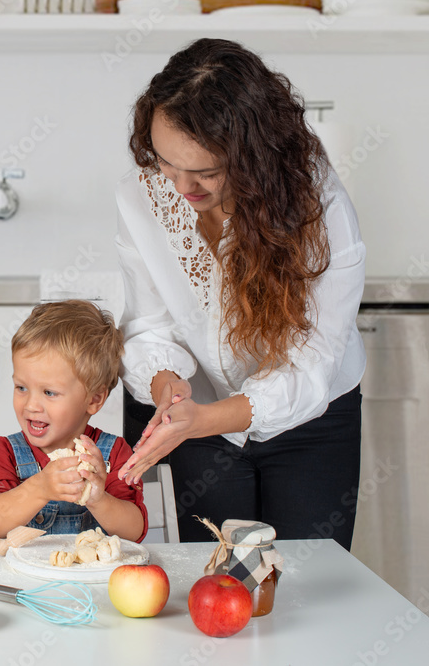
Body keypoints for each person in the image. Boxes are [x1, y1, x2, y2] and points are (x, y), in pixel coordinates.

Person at [114, 38, 365, 549]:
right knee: (194, 586)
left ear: (255, 159)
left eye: (206, 171)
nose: (182, 186)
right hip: (185, 422)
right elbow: (148, 324)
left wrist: (206, 418)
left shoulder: (321, 210)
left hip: (309, 422)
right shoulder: (144, 195)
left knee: (303, 585)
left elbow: (309, 362)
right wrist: (171, 393)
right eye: (166, 162)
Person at [0, 300, 148, 544]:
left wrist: (98, 498)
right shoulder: (4, 452)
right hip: (20, 582)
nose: (31, 405)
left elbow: (134, 531)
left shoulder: (114, 453)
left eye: (49, 393)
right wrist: (40, 487)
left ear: (94, 399)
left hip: (91, 582)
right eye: (21, 387)